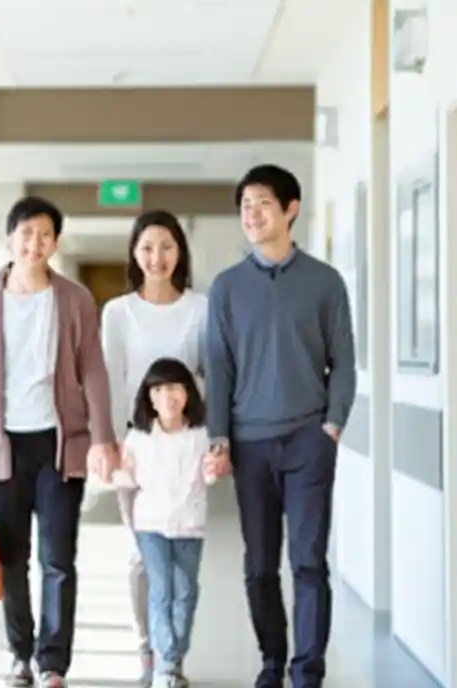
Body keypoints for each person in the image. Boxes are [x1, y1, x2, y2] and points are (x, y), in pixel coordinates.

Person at [203, 164, 356, 688]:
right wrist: (219, 437)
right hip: (250, 444)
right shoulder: (226, 288)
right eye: (245, 205)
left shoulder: (325, 282)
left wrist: (332, 425)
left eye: (263, 203)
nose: (252, 214)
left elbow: (344, 361)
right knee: (260, 567)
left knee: (309, 562)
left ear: (291, 210)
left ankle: (307, 672)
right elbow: (218, 367)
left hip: (309, 440)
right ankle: (272, 662)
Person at [0, 196, 117, 688]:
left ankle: (53, 662)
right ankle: (20, 654)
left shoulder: (74, 299)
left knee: (58, 559)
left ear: (56, 242)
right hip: (5, 446)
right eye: (26, 233)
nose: (35, 243)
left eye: (45, 235)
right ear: (9, 238)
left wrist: (102, 437)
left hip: (59, 445)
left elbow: (93, 369)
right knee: (11, 558)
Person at [99, 210, 208, 685]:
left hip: (185, 447)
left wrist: (212, 439)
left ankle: (172, 656)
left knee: (180, 562)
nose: (157, 257)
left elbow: (210, 376)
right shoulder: (118, 312)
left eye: (166, 246)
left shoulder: (201, 308)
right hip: (136, 447)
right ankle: (150, 647)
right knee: (143, 555)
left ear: (180, 251)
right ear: (134, 254)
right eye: (146, 247)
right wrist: (109, 442)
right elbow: (111, 378)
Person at [113, 358, 219, 688]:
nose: (167, 396)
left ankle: (170, 660)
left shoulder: (201, 436)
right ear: (149, 398)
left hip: (190, 525)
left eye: (174, 388)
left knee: (185, 592)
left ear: (188, 393)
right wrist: (117, 471)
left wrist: (214, 467)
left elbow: (209, 476)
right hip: (151, 526)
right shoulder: (138, 438)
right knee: (160, 592)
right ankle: (167, 666)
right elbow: (126, 479)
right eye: (158, 390)